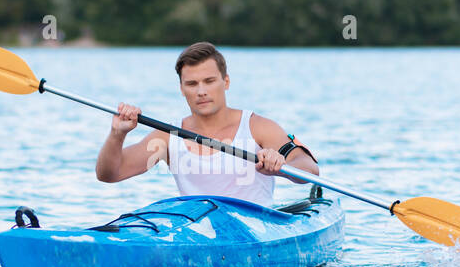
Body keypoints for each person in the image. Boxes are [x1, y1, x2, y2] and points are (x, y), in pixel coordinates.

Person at [94, 42, 320, 207]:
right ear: (182, 89)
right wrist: (117, 134)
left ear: (226, 82)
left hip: (253, 233)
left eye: (209, 81)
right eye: (192, 84)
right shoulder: (168, 136)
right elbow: (110, 174)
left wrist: (281, 167)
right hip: (198, 233)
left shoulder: (258, 127)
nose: (201, 91)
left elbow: (310, 169)